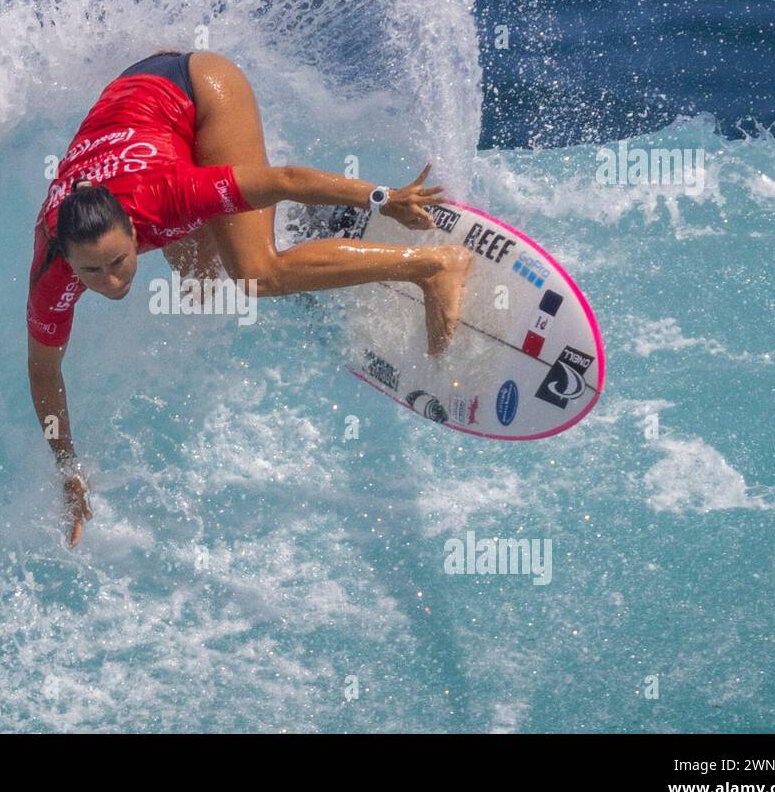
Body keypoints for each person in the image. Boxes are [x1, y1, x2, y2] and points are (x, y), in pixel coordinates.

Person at [27, 50, 472, 545]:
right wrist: (68, 467)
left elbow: (285, 180)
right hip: (142, 121)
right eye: (93, 271)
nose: (112, 282)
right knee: (201, 286)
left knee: (253, 274)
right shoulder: (52, 270)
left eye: (118, 262)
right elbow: (44, 372)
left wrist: (385, 198)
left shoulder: (169, 196)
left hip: (197, 87)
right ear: (67, 258)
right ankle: (305, 243)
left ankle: (432, 268)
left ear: (134, 231)